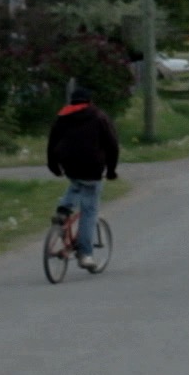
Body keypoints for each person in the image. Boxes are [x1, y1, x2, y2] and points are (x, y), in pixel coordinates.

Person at [46, 86, 120, 271]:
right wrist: (111, 170)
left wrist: (53, 165)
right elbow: (112, 145)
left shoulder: (63, 117)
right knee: (89, 212)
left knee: (76, 183)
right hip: (92, 168)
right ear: (89, 101)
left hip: (70, 165)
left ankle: (63, 209)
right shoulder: (98, 117)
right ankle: (86, 254)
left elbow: (52, 142)